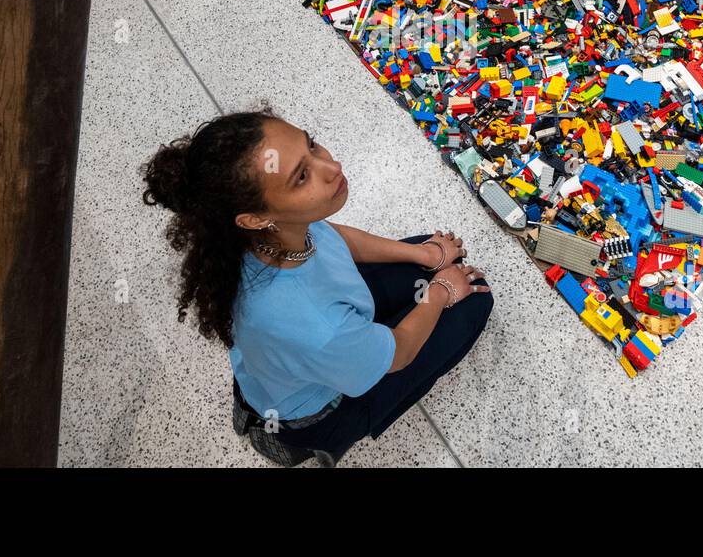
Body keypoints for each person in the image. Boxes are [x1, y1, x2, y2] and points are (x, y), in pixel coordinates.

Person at [141, 103, 494, 466]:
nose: (332, 167)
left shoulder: (257, 236)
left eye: (312, 145)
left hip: (288, 364)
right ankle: (306, 442)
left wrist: (419, 255)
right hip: (320, 407)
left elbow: (332, 237)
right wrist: (439, 293)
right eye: (301, 177)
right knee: (473, 300)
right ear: (255, 217)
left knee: (427, 257)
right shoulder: (316, 326)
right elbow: (400, 352)